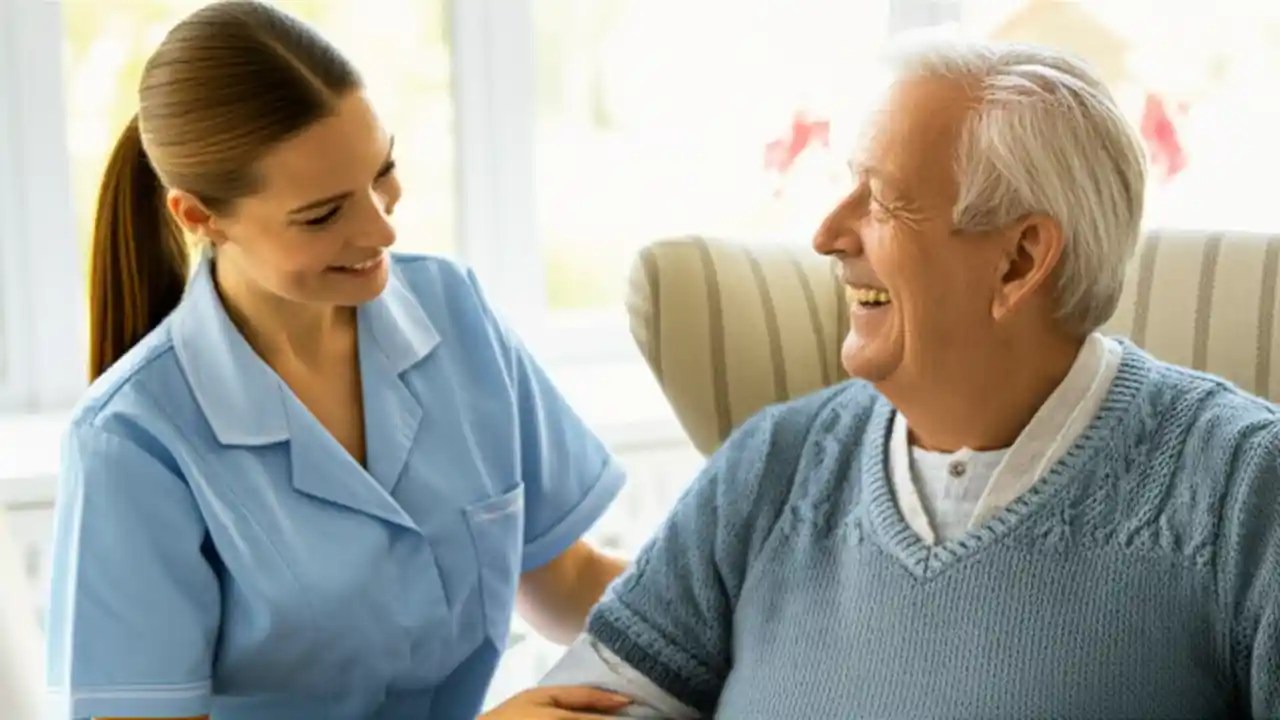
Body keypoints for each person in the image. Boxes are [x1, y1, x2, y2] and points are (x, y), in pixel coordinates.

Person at [539, 38, 1280, 718]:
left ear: (1019, 261)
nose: (828, 234)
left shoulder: (1245, 489)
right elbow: (590, 702)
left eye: (883, 199)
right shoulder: (770, 470)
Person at [45, 2, 634, 718]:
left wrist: (756, 610)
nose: (380, 227)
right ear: (199, 217)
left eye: (382, 173)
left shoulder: (455, 311)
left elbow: (564, 580)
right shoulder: (131, 440)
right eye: (323, 214)